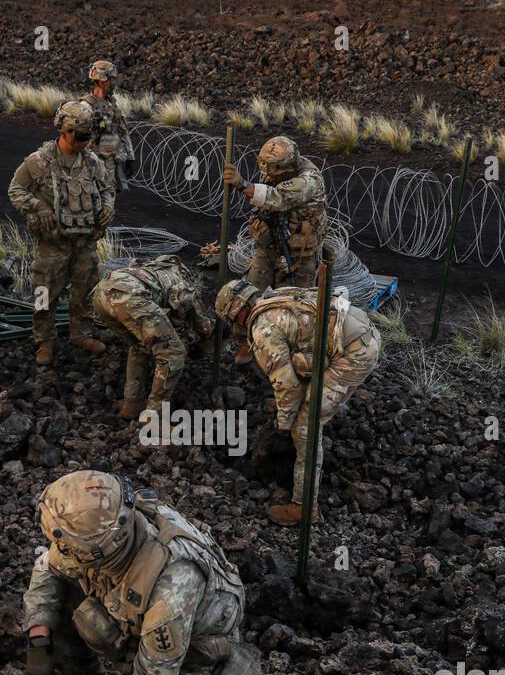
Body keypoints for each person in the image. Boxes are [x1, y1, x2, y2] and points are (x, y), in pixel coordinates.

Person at [10, 470, 258, 675]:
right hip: (137, 621)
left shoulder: (172, 587)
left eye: (69, 548)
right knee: (62, 603)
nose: (61, 551)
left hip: (193, 653)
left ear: (99, 551)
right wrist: (38, 637)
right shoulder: (104, 527)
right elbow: (49, 567)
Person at [215, 277, 381, 525]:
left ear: (237, 313)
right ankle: (327, 404)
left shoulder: (263, 330)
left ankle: (305, 508)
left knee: (305, 427)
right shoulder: (273, 298)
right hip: (360, 331)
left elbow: (288, 387)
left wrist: (282, 426)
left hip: (354, 353)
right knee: (302, 391)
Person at [8, 100, 114, 365]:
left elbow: (107, 189)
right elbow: (15, 190)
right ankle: (44, 341)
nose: (84, 143)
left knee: (85, 292)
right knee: (44, 295)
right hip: (53, 245)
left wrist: (109, 205)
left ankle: (82, 334)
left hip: (85, 244)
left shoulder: (92, 163)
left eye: (89, 137)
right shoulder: (38, 162)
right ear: (63, 131)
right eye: (80, 137)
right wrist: (37, 207)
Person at [223, 134, 329, 362]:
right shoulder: (277, 168)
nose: (268, 176)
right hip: (271, 244)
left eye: (273, 171)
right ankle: (246, 340)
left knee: (293, 305)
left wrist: (242, 185)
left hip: (300, 254)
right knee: (250, 291)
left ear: (288, 166)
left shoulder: (309, 180)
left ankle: (288, 355)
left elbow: (277, 197)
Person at [90, 255, 212, 419]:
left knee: (141, 346)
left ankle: (131, 405)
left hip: (102, 294)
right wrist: (207, 338)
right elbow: (203, 326)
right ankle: (154, 418)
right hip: (131, 298)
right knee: (173, 353)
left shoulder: (153, 270)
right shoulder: (185, 284)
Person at [83, 59, 135, 191]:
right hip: (92, 168)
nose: (114, 83)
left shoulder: (112, 105)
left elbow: (122, 131)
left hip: (112, 164)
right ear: (101, 80)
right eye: (111, 79)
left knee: (108, 206)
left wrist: (130, 157)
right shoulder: (86, 107)